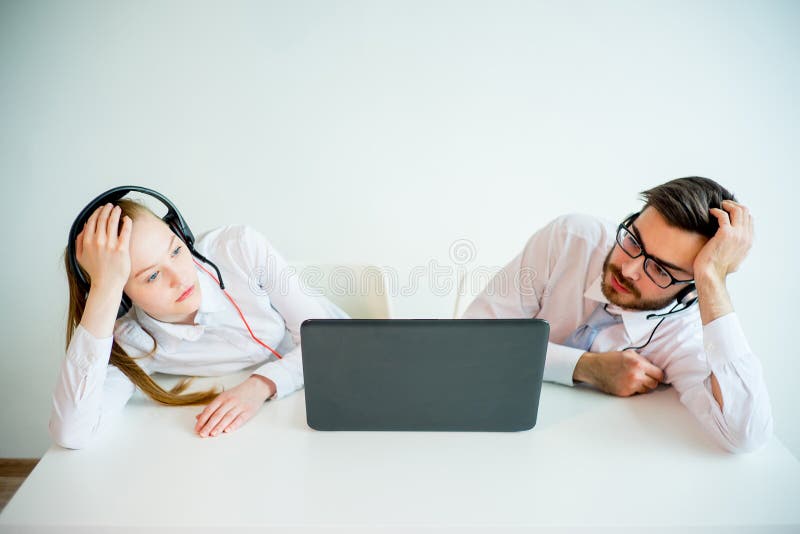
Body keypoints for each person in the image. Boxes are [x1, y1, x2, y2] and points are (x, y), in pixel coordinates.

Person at [462, 176, 772, 453]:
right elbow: (470, 339)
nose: (628, 268)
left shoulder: (684, 331)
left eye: (660, 269)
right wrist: (586, 367)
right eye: (634, 239)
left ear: (690, 290)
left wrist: (713, 279)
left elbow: (743, 433)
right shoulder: (571, 238)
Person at [51, 188, 347, 449]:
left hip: (342, 374)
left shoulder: (239, 249)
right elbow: (73, 433)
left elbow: (328, 342)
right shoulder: (134, 339)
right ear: (122, 297)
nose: (179, 276)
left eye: (176, 250)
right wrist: (104, 289)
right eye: (152, 275)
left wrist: (259, 386)